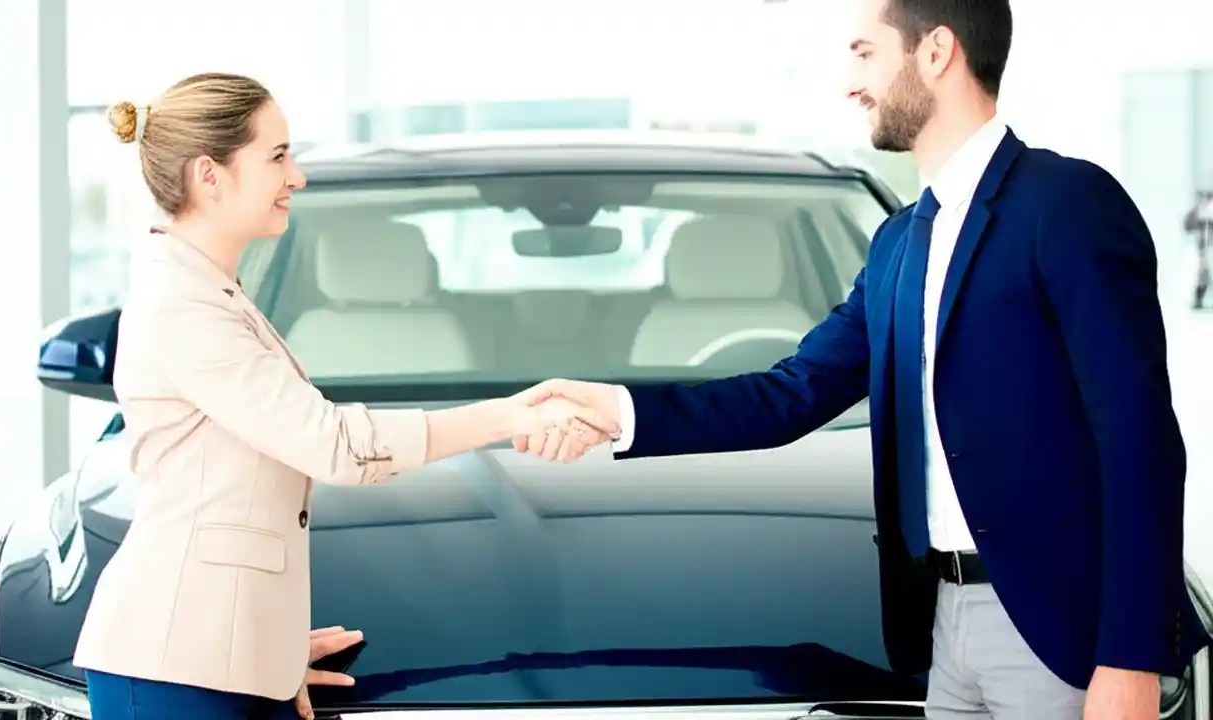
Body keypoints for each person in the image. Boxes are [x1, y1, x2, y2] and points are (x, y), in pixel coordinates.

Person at [515, 0, 1210, 718]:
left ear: (936, 52)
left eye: (864, 53)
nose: (851, 82)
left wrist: (1130, 657)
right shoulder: (899, 243)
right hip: (942, 630)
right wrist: (620, 410)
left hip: (1051, 632)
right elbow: (794, 392)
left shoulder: (1065, 205)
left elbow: (1140, 439)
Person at [73, 73, 615, 720]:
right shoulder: (183, 307)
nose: (295, 177)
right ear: (209, 176)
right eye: (277, 156)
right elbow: (335, 446)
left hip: (217, 662)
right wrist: (507, 414)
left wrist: (261, 652)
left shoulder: (210, 290)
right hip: (173, 674)